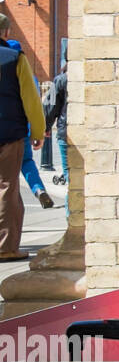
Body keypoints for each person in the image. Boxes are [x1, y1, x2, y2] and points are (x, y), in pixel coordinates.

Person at [0, 14, 45, 261]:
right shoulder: (15, 58)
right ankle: (6, 247)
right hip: (10, 133)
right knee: (7, 188)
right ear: (6, 33)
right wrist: (37, 131)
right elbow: (31, 99)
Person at [1, 34, 53, 208]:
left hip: (9, 128)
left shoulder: (8, 67)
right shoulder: (29, 73)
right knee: (26, 163)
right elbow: (33, 103)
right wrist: (38, 131)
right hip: (22, 128)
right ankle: (38, 189)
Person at [45, 59, 68, 188]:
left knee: (69, 174)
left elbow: (50, 106)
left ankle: (72, 208)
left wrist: (46, 127)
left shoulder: (60, 80)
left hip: (65, 131)